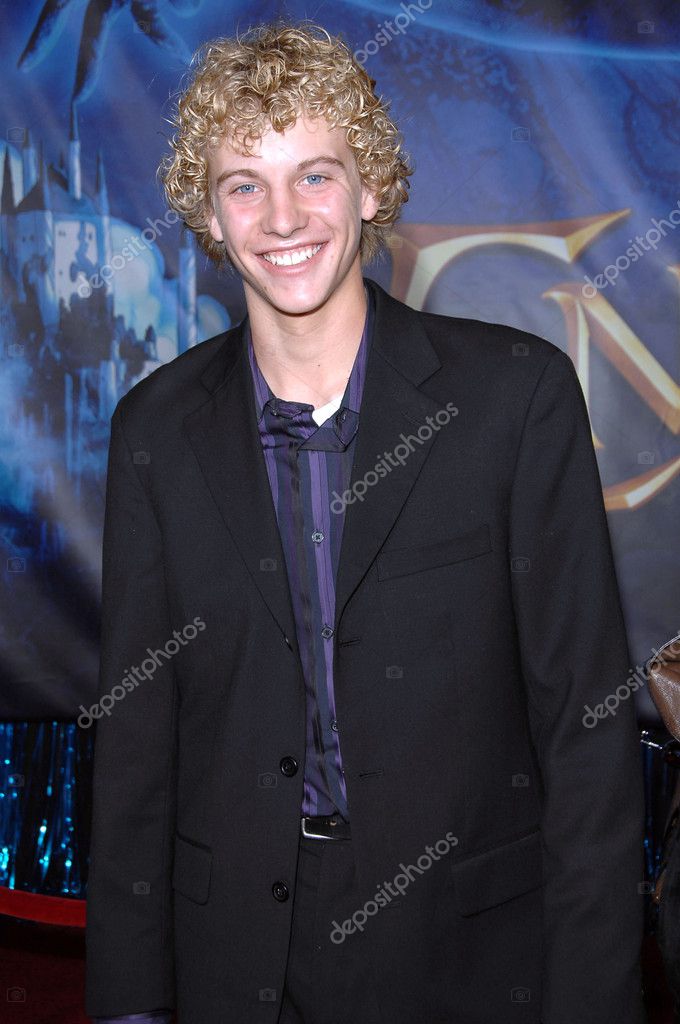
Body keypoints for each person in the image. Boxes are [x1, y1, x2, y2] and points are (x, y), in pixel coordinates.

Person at [85, 19, 647, 1024]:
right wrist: (131, 1006)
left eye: (315, 174)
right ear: (209, 218)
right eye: (243, 183)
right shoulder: (154, 432)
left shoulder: (513, 399)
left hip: (470, 962)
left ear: (371, 187)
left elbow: (585, 738)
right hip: (234, 967)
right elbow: (136, 749)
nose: (281, 215)